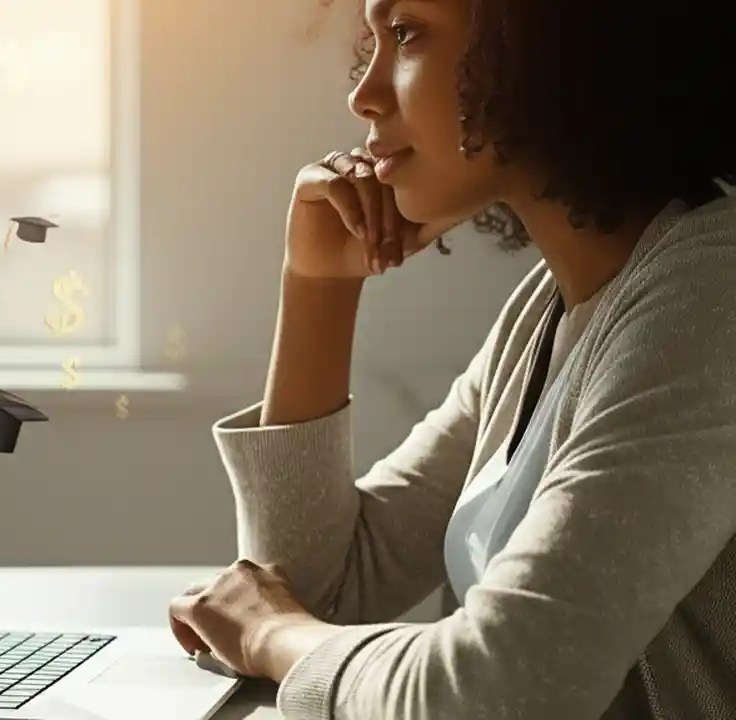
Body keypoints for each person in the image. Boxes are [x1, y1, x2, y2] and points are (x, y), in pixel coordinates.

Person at [166, 0, 736, 717]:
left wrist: (274, 636)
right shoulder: (550, 309)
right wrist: (316, 283)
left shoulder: (712, 296)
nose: (361, 93)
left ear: (544, 42)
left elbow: (499, 693)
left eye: (405, 34)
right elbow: (317, 585)